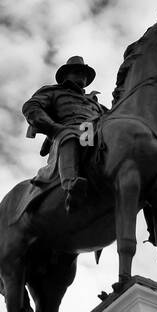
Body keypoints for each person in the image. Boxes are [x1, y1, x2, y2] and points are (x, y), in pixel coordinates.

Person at [22, 56, 108, 212]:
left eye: (84, 74)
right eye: (77, 72)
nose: (82, 76)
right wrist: (53, 128)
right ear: (66, 75)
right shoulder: (53, 92)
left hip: (97, 133)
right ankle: (71, 184)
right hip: (69, 132)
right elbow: (32, 106)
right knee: (76, 134)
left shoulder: (95, 103)